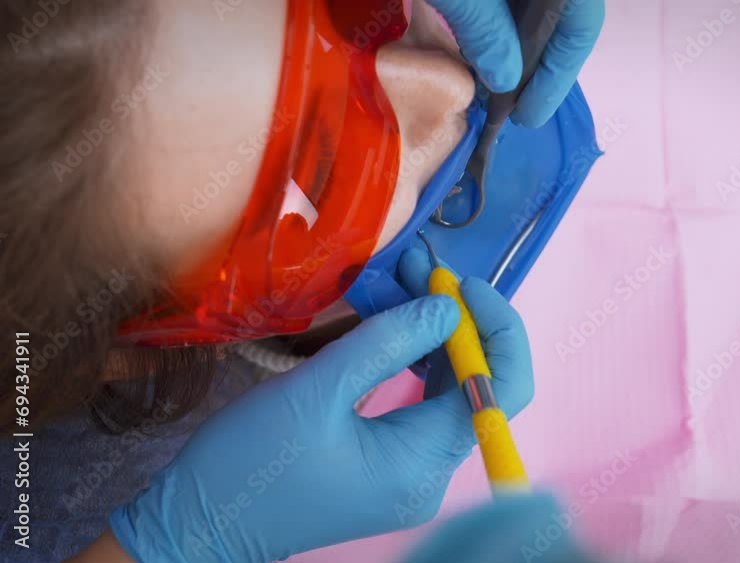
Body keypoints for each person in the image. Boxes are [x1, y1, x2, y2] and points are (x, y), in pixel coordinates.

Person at [0, 0, 604, 561]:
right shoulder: (52, 509)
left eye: (343, 5)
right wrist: (183, 543)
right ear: (121, 360)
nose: (447, 84)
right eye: (324, 178)